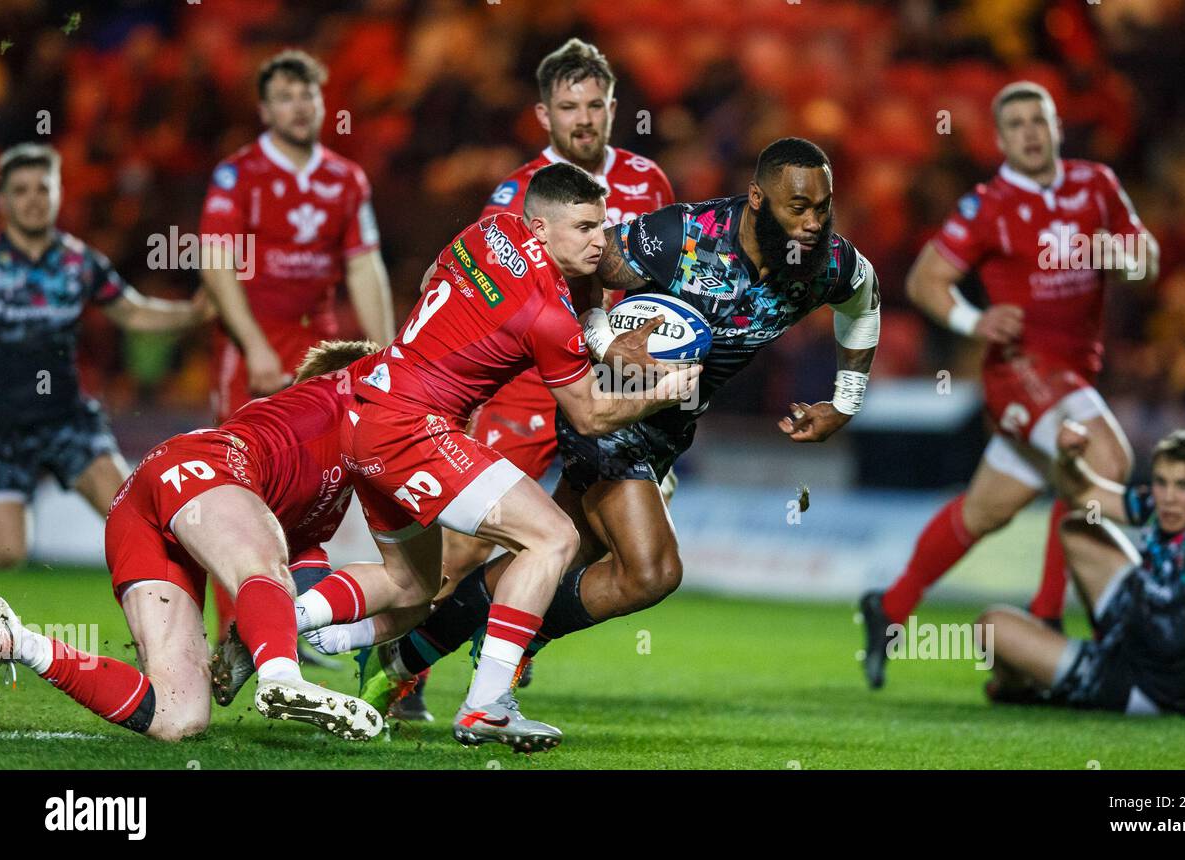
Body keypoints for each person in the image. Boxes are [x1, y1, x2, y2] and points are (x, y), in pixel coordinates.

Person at [348, 137, 881, 726]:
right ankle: (510, 648)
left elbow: (865, 298)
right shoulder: (687, 234)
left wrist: (846, 400)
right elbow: (585, 262)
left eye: (822, 208)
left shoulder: (828, 262)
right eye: (797, 208)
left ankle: (402, 660)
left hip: (667, 434)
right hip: (609, 411)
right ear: (757, 199)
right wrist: (604, 340)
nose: (812, 223)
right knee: (652, 571)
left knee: (553, 558)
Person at [218, 162, 700, 752]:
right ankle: (486, 707)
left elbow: (428, 279)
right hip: (411, 428)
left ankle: (270, 629)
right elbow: (590, 416)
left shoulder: (487, 231)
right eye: (584, 228)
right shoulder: (546, 313)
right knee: (552, 538)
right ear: (542, 229)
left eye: (603, 226)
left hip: (366, 408)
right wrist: (665, 391)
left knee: (413, 586)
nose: (601, 241)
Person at [381, 36, 676, 719]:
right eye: (568, 106)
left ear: (612, 107)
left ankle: (508, 652)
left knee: (594, 542)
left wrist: (654, 390)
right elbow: (459, 278)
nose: (583, 118)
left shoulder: (648, 182)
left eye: (595, 104)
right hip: (525, 388)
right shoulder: (517, 194)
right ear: (542, 115)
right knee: (463, 549)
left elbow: (657, 286)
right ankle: (399, 669)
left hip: (608, 381)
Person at [859, 81, 1160, 688]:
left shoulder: (1096, 185)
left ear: (1056, 127)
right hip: (1020, 369)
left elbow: (1144, 254)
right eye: (1016, 123)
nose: (1029, 132)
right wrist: (976, 320)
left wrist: (1126, 256)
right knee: (1102, 456)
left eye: (1038, 120)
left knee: (986, 510)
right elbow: (925, 281)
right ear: (1000, 140)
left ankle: (888, 607)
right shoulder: (988, 203)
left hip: (1075, 373)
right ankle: (1045, 620)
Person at [0, 341, 422, 741]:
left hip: (141, 510)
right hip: (199, 467)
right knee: (263, 565)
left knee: (178, 717)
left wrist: (265, 633)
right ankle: (282, 680)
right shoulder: (346, 398)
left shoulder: (334, 483)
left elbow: (304, 572)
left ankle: (19, 641)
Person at [199, 49, 396, 641]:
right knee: (238, 482)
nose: (299, 106)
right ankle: (241, 634)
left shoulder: (346, 178)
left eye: (308, 95)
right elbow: (215, 264)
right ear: (265, 109)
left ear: (321, 103)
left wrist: (388, 351)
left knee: (317, 478)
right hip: (253, 344)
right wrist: (255, 346)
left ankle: (297, 619)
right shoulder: (238, 175)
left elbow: (365, 267)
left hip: (319, 347)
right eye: (285, 97)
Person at [980, 424, 1185, 724]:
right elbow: (1084, 494)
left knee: (989, 628)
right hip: (1132, 630)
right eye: (1161, 482)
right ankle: (1062, 664)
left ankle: (1024, 690)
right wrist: (1068, 458)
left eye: (1183, 485)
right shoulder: (1160, 508)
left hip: (1142, 687)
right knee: (1077, 526)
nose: (1168, 496)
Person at [0, 143, 208, 569]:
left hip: (67, 419)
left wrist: (194, 313)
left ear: (58, 194)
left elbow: (131, 311)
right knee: (8, 552)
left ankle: (168, 625)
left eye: (43, 188)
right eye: (21, 190)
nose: (34, 199)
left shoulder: (78, 262)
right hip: (2, 428)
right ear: (2, 201)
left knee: (134, 515)